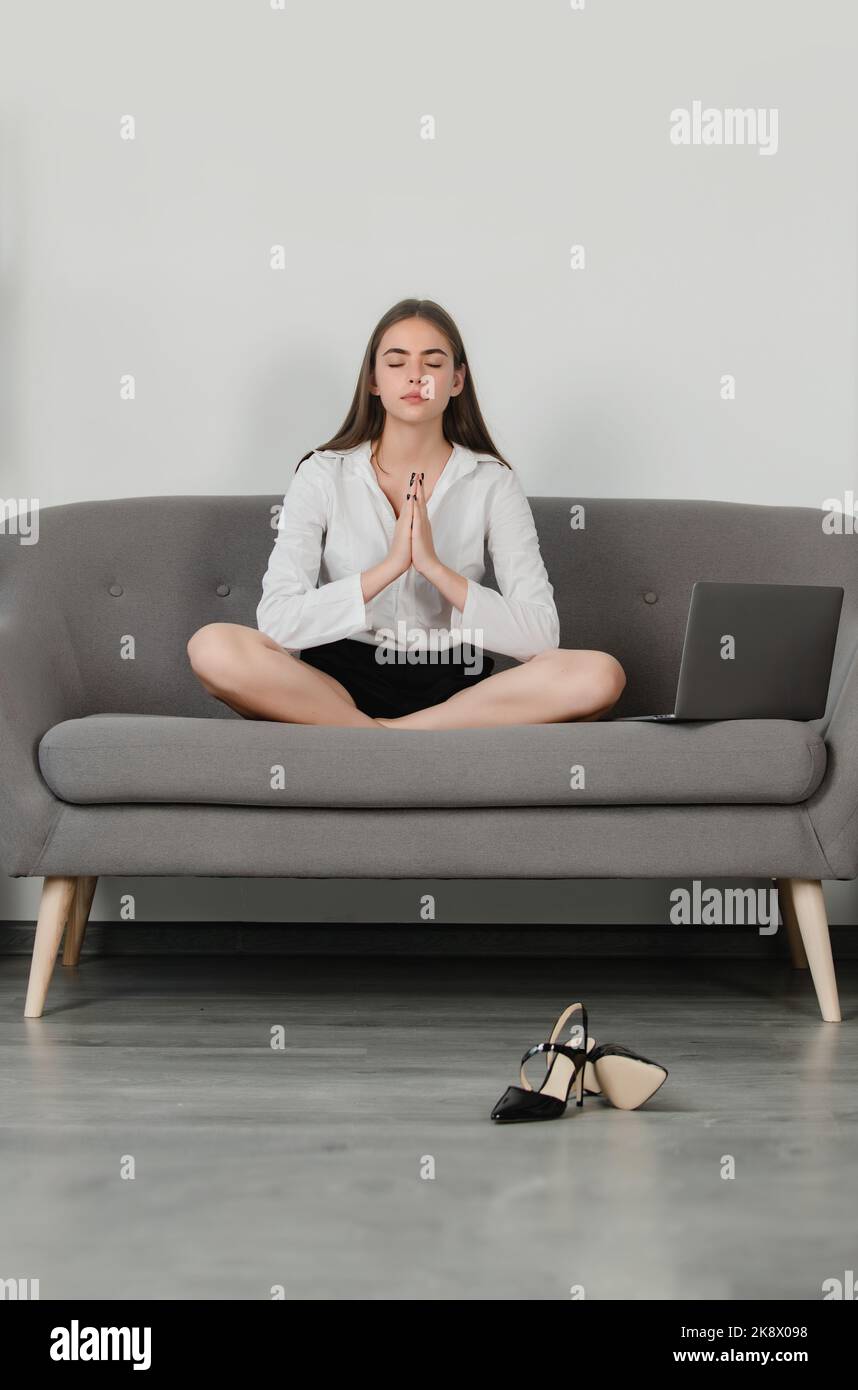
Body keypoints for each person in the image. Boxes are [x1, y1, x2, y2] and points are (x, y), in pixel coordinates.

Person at [187, 298, 625, 728]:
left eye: (433, 363)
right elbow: (278, 624)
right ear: (374, 380)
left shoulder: (493, 480)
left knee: (600, 675)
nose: (416, 376)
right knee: (213, 647)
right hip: (336, 680)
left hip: (455, 686)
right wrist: (391, 567)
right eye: (396, 363)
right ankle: (380, 734)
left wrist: (434, 568)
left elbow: (541, 638)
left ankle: (385, 735)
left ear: (456, 380)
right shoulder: (322, 472)